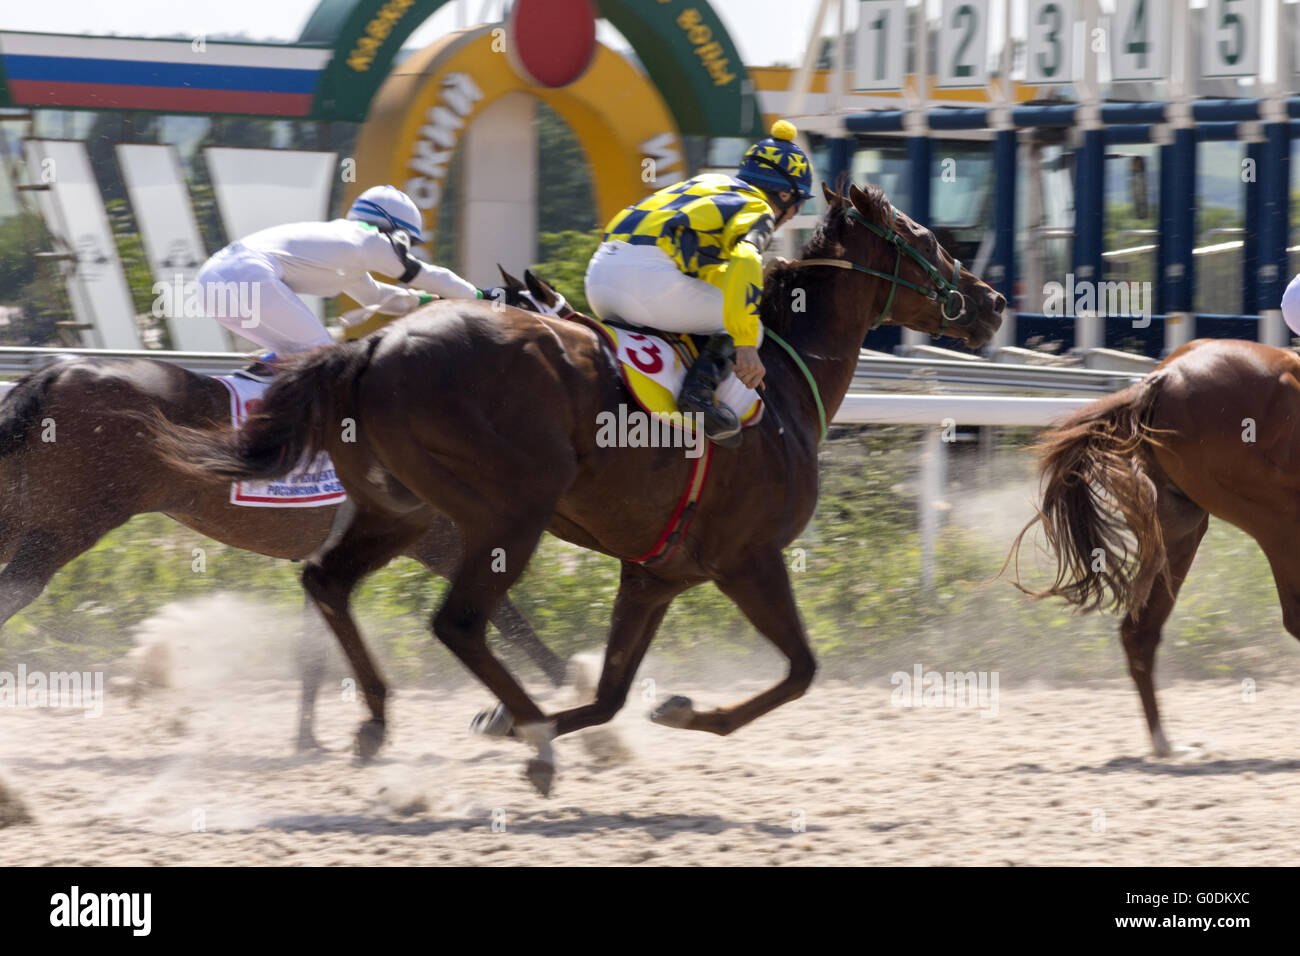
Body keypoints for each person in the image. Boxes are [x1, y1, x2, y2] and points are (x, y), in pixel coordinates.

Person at [583, 119, 813, 446]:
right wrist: (745, 344)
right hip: (646, 284)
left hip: (598, 277)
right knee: (748, 325)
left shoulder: (707, 184)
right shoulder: (759, 208)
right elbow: (745, 259)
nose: (792, 214)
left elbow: (702, 266)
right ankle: (699, 394)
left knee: (717, 304)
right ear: (785, 194)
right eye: (798, 203)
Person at [196, 185, 492, 379]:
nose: (407, 248)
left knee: (297, 356)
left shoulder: (346, 249)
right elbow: (430, 275)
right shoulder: (369, 239)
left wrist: (430, 301)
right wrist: (483, 296)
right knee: (322, 357)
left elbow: (376, 298)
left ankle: (247, 399)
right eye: (409, 240)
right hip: (243, 275)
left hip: (212, 279)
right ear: (390, 228)